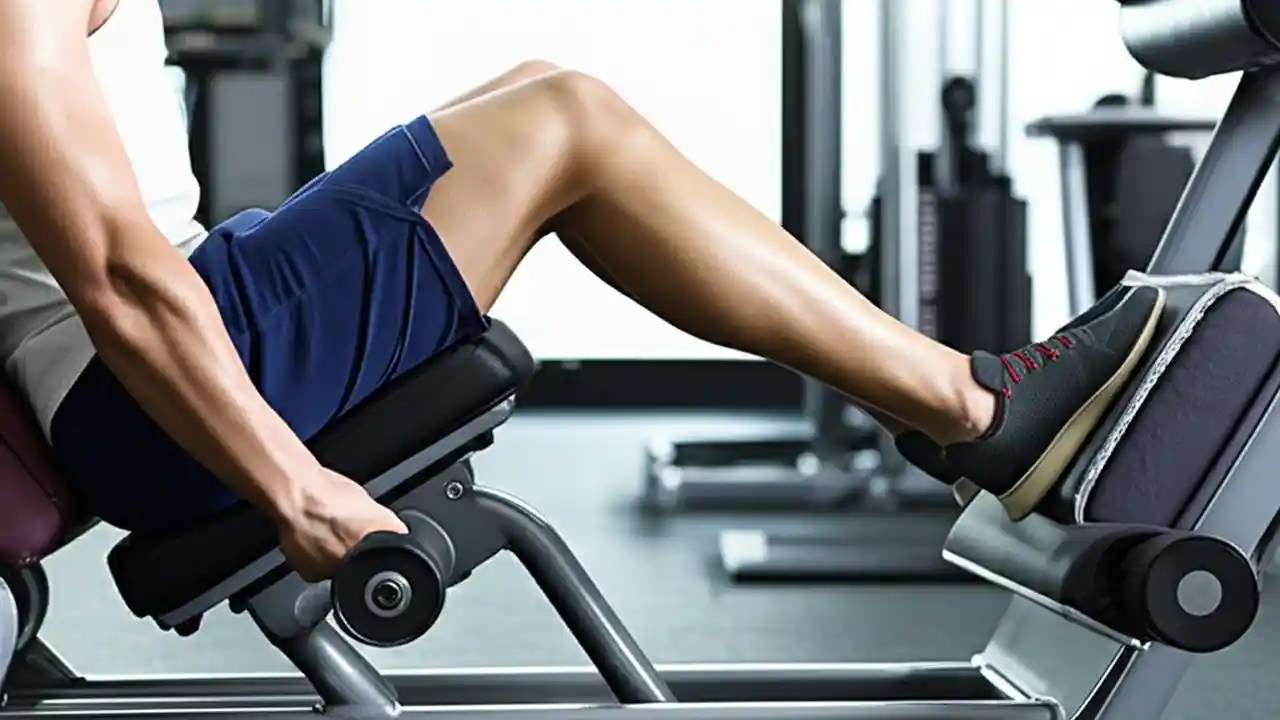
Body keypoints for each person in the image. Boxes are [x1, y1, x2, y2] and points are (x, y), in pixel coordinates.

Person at [0, 0, 1163, 581]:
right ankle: (972, 412)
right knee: (567, 122)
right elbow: (108, 265)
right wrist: (297, 491)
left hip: (161, 356)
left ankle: (940, 401)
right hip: (142, 402)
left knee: (538, 87)